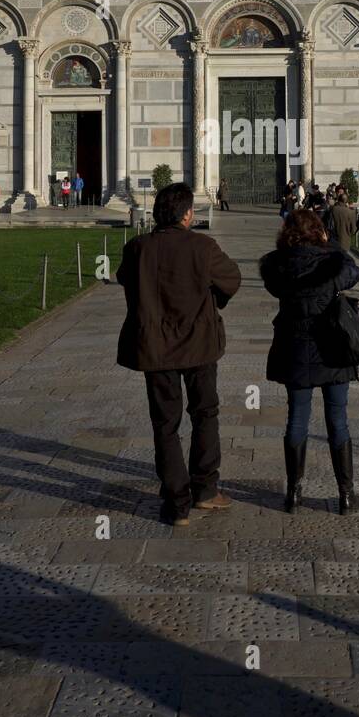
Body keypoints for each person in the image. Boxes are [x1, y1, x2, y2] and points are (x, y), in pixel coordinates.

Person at [117, 182, 242, 527]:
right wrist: (212, 300)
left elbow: (125, 280)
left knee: (165, 424)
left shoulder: (137, 248)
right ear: (187, 215)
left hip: (156, 349)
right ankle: (204, 489)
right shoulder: (202, 247)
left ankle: (177, 504)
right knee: (205, 414)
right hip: (199, 345)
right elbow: (232, 279)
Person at [260, 209, 359, 516]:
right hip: (333, 349)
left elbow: (273, 280)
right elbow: (353, 271)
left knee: (297, 419)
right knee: (338, 419)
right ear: (318, 231)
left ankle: (293, 493)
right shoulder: (331, 262)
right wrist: (328, 243)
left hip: (296, 350)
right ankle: (346, 495)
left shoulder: (279, 266)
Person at [325, 188, 357, 252]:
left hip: (333, 239)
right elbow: (353, 230)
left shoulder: (333, 209)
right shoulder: (351, 212)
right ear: (346, 201)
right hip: (345, 240)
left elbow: (327, 222)